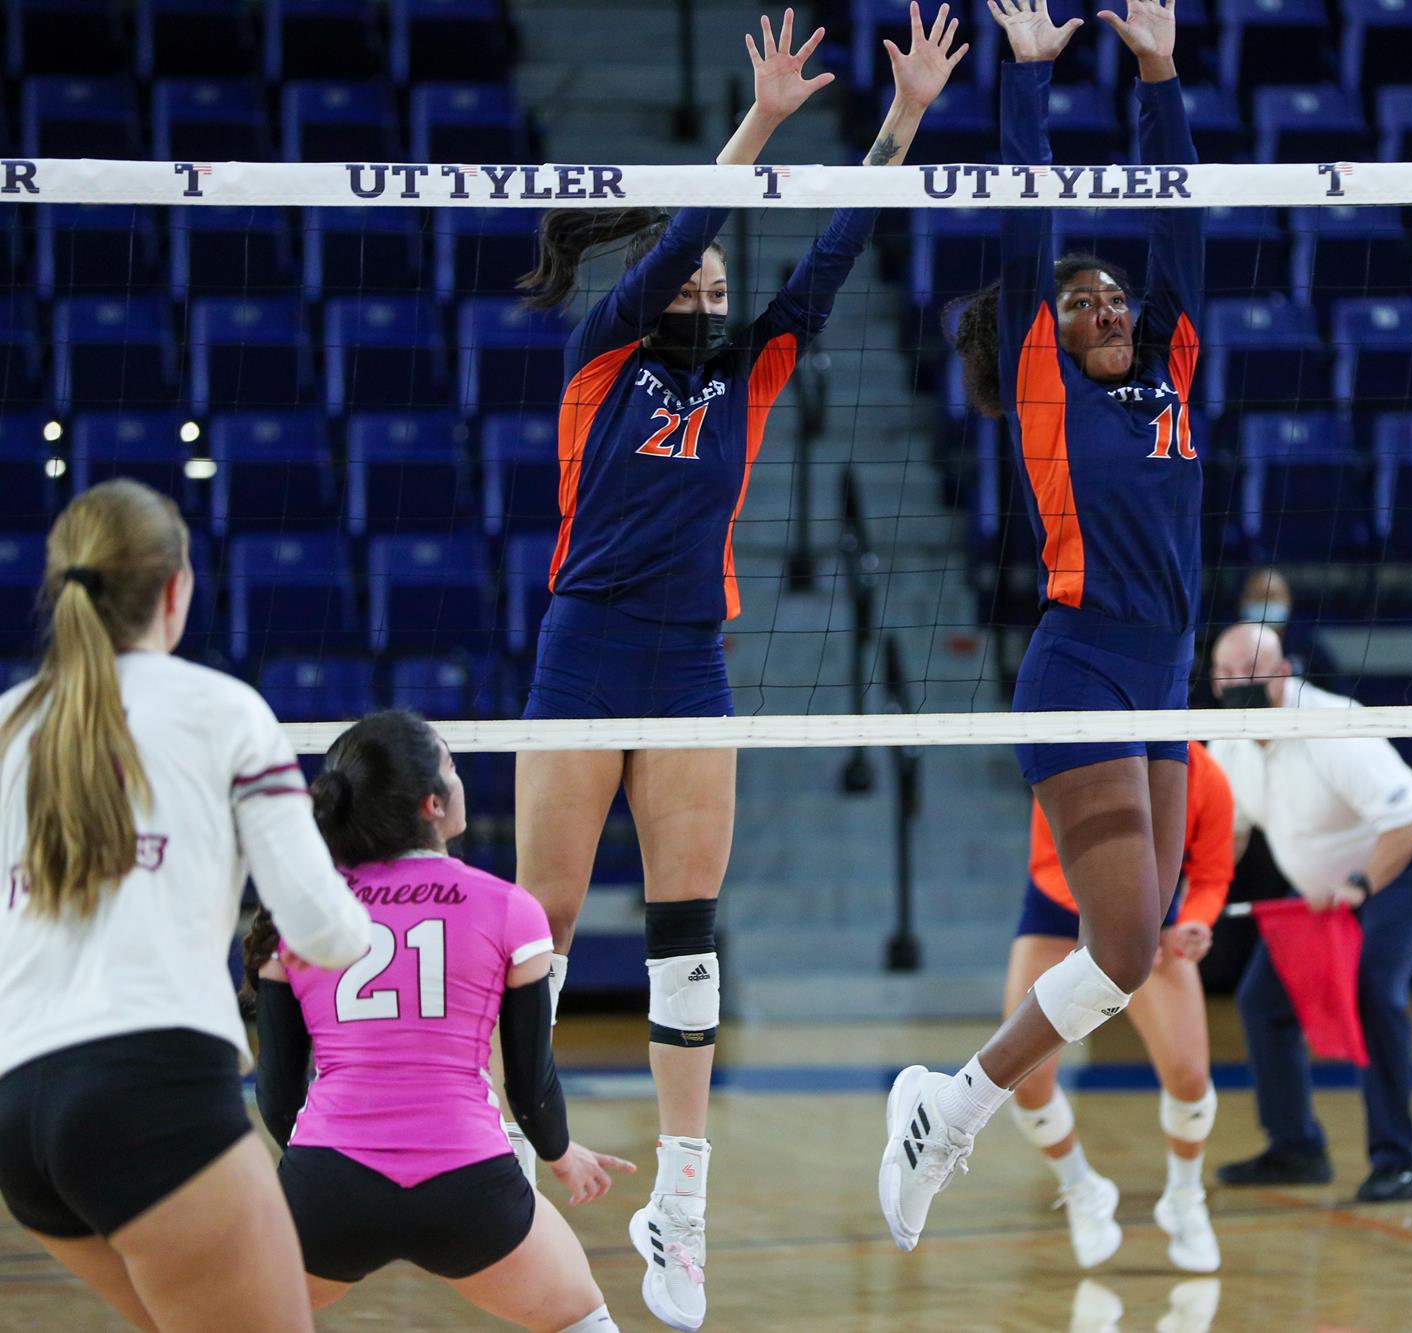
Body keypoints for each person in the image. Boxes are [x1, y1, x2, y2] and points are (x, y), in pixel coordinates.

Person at [510, 8, 964, 1320]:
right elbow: (693, 235)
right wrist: (762, 121)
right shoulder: (604, 356)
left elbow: (833, 252)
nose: (705, 299)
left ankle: (682, 1208)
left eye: (716, 294)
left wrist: (903, 123)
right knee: (534, 922)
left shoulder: (751, 377)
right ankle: (503, 1138)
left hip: (691, 661)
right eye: (691, 289)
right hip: (584, 654)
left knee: (685, 941)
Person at [878, 0, 1205, 1252]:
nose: (1108, 306)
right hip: (1079, 667)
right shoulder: (1041, 388)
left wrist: (1160, 71)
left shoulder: (1174, 358)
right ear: (1047, 334)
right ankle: (951, 1109)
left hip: (1166, 679)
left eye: (1114, 296)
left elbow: (1173, 219)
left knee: (1128, 951)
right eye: (1081, 303)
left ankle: (946, 1103)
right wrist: (1026, 84)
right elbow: (1032, 228)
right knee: (1122, 940)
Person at [0, 480, 372, 1332]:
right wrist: (382, 908)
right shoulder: (225, 710)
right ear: (176, 590)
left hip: (19, 1117)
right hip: (152, 1097)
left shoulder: (8, 727)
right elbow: (319, 927)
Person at [244, 710, 636, 1332]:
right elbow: (530, 1089)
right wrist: (560, 1156)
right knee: (582, 1318)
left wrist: (328, 1169)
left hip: (329, 1186)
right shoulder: (510, 908)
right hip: (469, 1186)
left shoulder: (301, 913)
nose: (459, 780)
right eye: (452, 768)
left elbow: (277, 1097)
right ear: (432, 805)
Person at [1206, 623, 1412, 1202]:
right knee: (1263, 1002)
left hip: (1403, 862)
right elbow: (1232, 836)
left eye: (1253, 671)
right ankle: (1296, 1148)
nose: (1239, 683)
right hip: (1323, 890)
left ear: (1284, 672)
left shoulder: (1332, 726)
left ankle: (1397, 1161)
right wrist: (1197, 899)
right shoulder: (1227, 742)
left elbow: (1410, 823)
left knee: (1373, 987)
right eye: (1228, 674)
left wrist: (1359, 884)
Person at [1005, 740, 1233, 1273]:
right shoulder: (1076, 758)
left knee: (1189, 1075)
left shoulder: (1205, 775)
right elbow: (1050, 859)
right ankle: (1081, 1188)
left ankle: (1184, 1198)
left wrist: (1198, 918)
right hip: (1062, 910)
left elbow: (1214, 872)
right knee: (1026, 1081)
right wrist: (1115, 928)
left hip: (1152, 921)